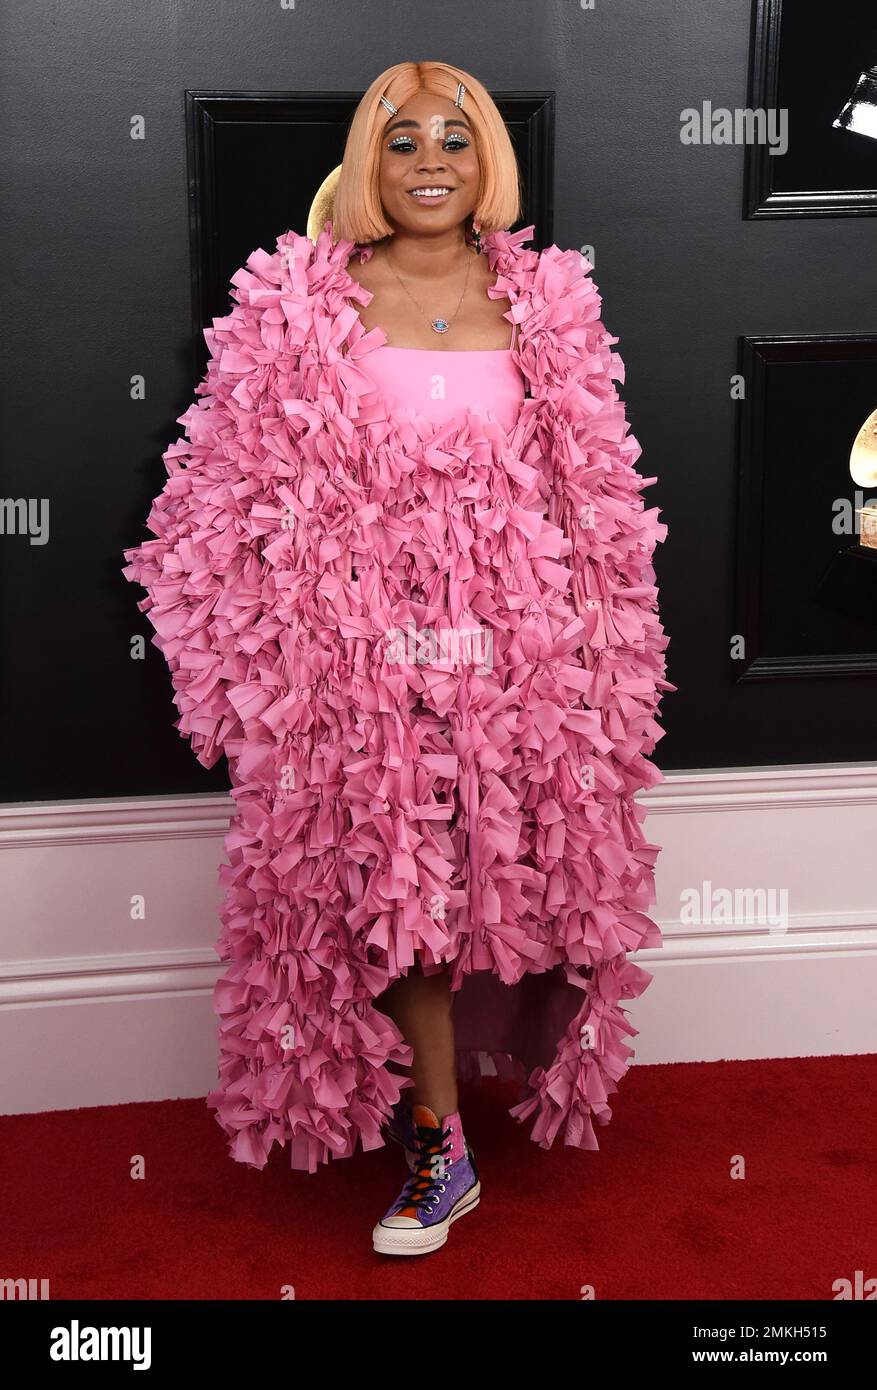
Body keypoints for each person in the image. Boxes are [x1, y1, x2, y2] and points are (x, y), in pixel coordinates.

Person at [122, 60, 671, 1259]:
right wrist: (237, 669)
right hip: (355, 660)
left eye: (456, 139)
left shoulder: (546, 302)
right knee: (396, 892)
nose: (430, 160)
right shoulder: (300, 302)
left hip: (516, 658)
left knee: (498, 885)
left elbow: (596, 497)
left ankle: (478, 1091)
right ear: (369, 162)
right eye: (404, 138)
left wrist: (601, 652)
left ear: (489, 164)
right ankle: (439, 1139)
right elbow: (221, 491)